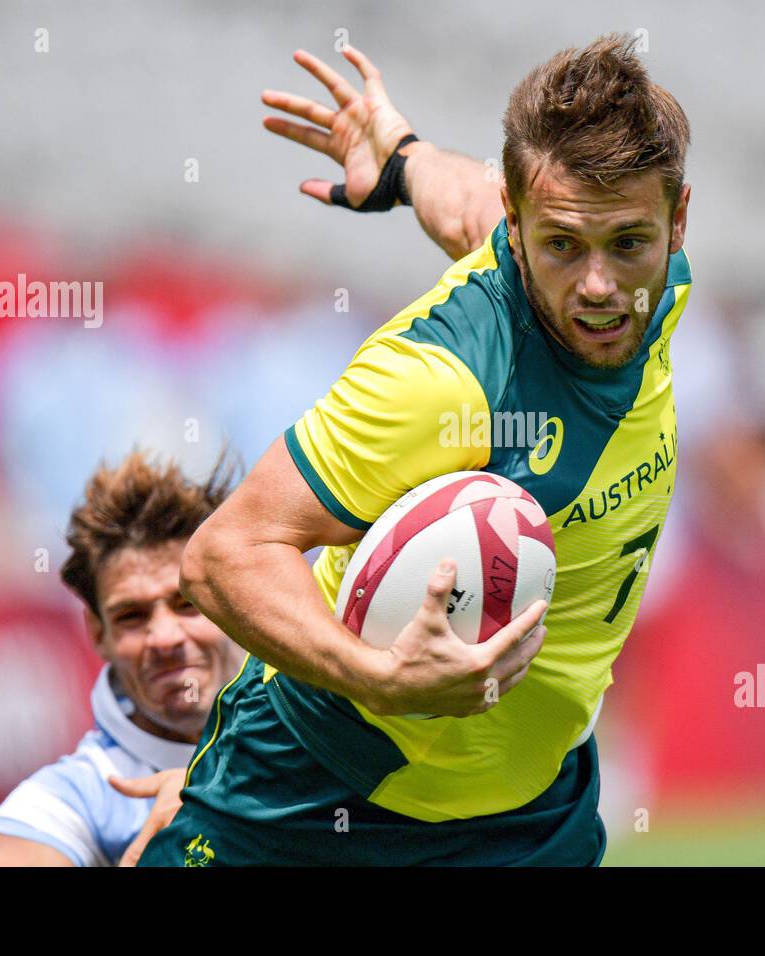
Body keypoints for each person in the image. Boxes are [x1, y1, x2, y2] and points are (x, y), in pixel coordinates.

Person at [139, 32, 692, 867]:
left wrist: (402, 159)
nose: (600, 287)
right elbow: (223, 555)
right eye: (562, 246)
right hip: (311, 794)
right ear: (519, 220)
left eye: (629, 243)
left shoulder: (654, 280)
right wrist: (377, 674)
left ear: (677, 219)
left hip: (529, 816)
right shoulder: (444, 381)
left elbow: (467, 201)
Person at [0, 450, 245, 866]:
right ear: (99, 633)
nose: (165, 637)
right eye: (132, 616)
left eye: (186, 604)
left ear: (229, 599)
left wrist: (213, 800)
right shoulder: (90, 791)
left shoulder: (312, 717)